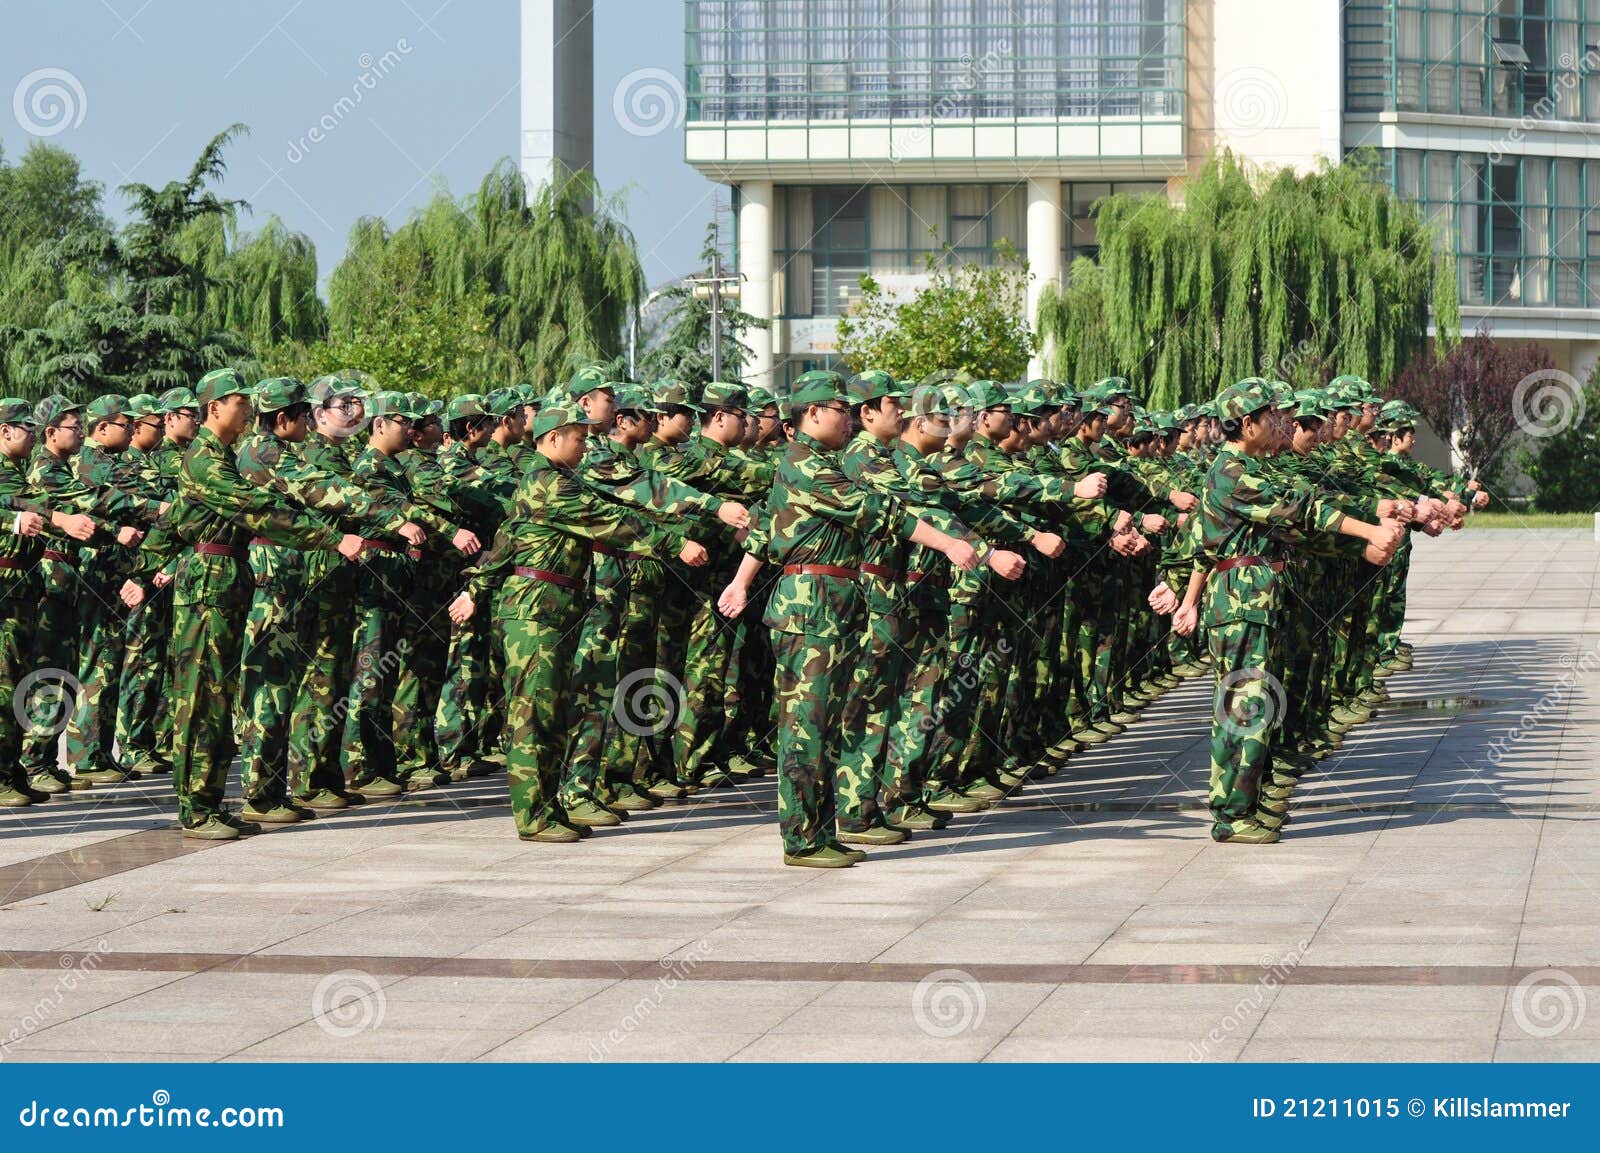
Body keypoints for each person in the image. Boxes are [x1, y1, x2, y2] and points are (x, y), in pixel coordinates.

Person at [716, 372, 982, 868]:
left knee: (827, 725)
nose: (848, 419)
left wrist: (741, 582)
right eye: (840, 410)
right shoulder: (807, 465)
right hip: (811, 606)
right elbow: (876, 511)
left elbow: (767, 528)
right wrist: (948, 542)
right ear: (813, 413)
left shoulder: (820, 462)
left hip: (833, 603)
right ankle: (802, 839)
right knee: (806, 727)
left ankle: (822, 830)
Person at [123, 368, 363, 840]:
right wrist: (329, 538)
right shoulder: (204, 460)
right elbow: (252, 508)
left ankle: (209, 801)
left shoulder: (222, 456)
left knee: (217, 697)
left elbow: (178, 522)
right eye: (240, 401)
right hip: (208, 585)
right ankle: (196, 810)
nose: (249, 408)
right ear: (214, 407)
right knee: (201, 699)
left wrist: (142, 572)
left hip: (226, 579)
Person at [448, 403, 701, 843]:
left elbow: (506, 541)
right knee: (533, 716)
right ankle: (533, 817)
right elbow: (611, 520)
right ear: (552, 438)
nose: (586, 445)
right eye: (579, 438)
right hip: (536, 612)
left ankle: (549, 807)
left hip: (553, 607)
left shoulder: (552, 480)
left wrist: (475, 590)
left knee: (552, 714)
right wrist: (674, 543)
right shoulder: (551, 484)